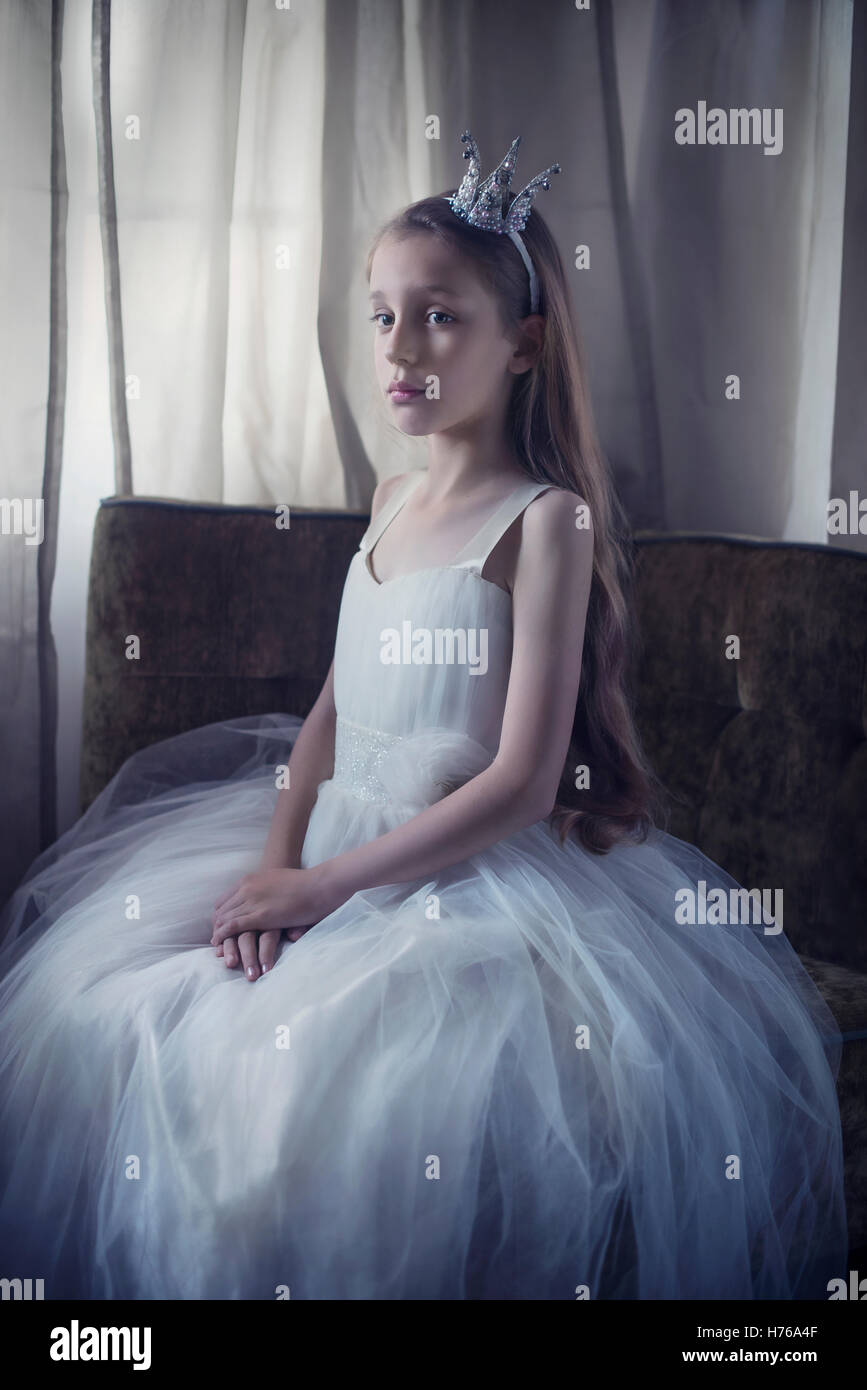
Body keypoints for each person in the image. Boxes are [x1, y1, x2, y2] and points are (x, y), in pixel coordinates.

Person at [0, 131, 847, 1300]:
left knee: (340, 1099)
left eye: (440, 316)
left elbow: (518, 782)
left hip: (463, 877)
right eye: (383, 316)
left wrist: (328, 891)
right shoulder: (392, 496)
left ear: (525, 342)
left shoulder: (545, 521)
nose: (401, 349)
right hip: (329, 843)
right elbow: (333, 715)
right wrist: (276, 867)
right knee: (102, 1008)